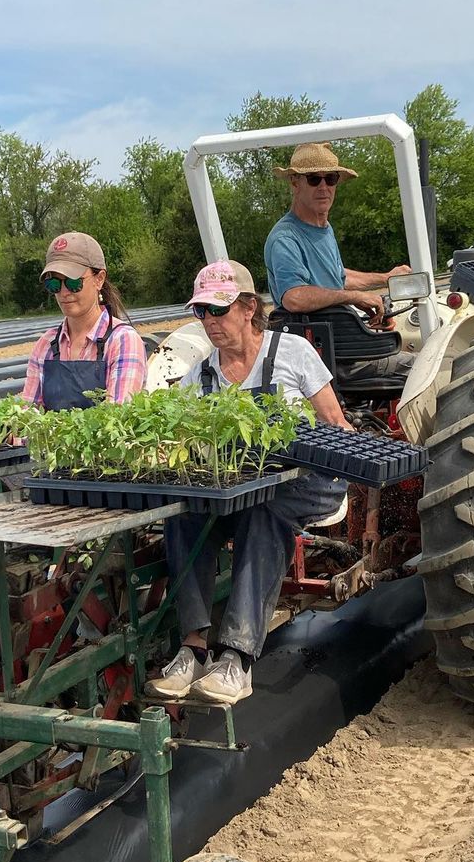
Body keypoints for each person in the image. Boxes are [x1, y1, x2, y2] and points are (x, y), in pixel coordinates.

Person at [147, 260, 350, 706]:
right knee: (182, 517)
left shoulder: (291, 352)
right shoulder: (200, 375)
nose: (210, 322)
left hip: (308, 482)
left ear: (248, 308)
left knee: (264, 509)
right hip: (237, 491)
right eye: (202, 312)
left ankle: (237, 659)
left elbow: (336, 425)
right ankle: (194, 648)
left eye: (218, 310)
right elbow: (174, 435)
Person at [263, 141, 414, 376]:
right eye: (314, 179)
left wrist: (386, 279)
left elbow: (337, 277)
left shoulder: (323, 228)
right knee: (421, 366)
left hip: (339, 347)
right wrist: (355, 297)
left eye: (330, 178)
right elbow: (294, 297)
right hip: (323, 360)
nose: (323, 187)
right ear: (295, 183)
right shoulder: (285, 238)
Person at [22, 232, 147, 409]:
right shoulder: (46, 345)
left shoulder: (122, 341)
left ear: (99, 279)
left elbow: (117, 419)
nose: (64, 292)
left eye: (73, 283)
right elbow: (27, 416)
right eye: (54, 284)